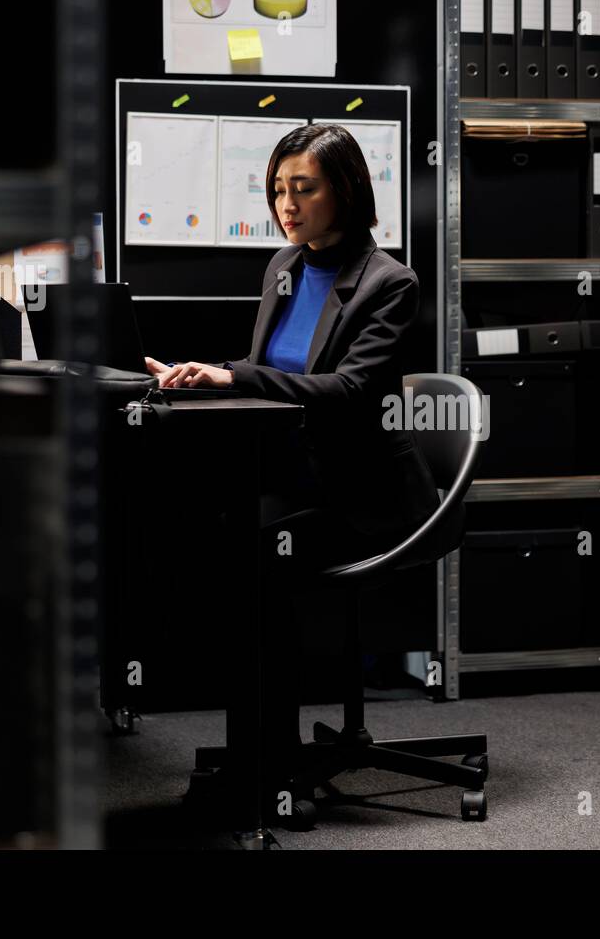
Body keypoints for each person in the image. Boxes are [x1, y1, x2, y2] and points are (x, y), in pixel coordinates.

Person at [144, 123, 441, 786]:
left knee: (256, 563)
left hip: (364, 496)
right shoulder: (282, 266)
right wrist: (205, 374)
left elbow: (348, 390)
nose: (286, 204)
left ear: (346, 189)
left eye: (302, 188)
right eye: (277, 189)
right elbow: (263, 368)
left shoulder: (390, 283)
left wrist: (235, 376)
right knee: (206, 536)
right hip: (294, 477)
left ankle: (271, 773)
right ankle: (259, 758)